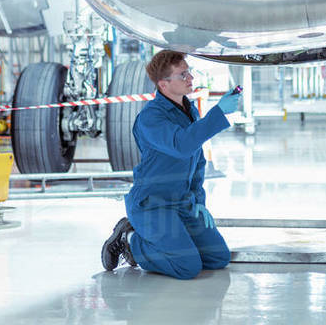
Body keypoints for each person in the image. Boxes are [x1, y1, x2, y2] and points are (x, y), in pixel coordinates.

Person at [101, 50, 243, 279]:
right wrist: (218, 113)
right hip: (153, 205)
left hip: (182, 203)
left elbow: (197, 160)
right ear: (164, 84)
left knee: (218, 258)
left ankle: (170, 239)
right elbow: (182, 145)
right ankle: (130, 241)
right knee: (187, 267)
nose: (191, 79)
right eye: (183, 75)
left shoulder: (189, 111)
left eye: (189, 73)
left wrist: (198, 200)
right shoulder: (151, 118)